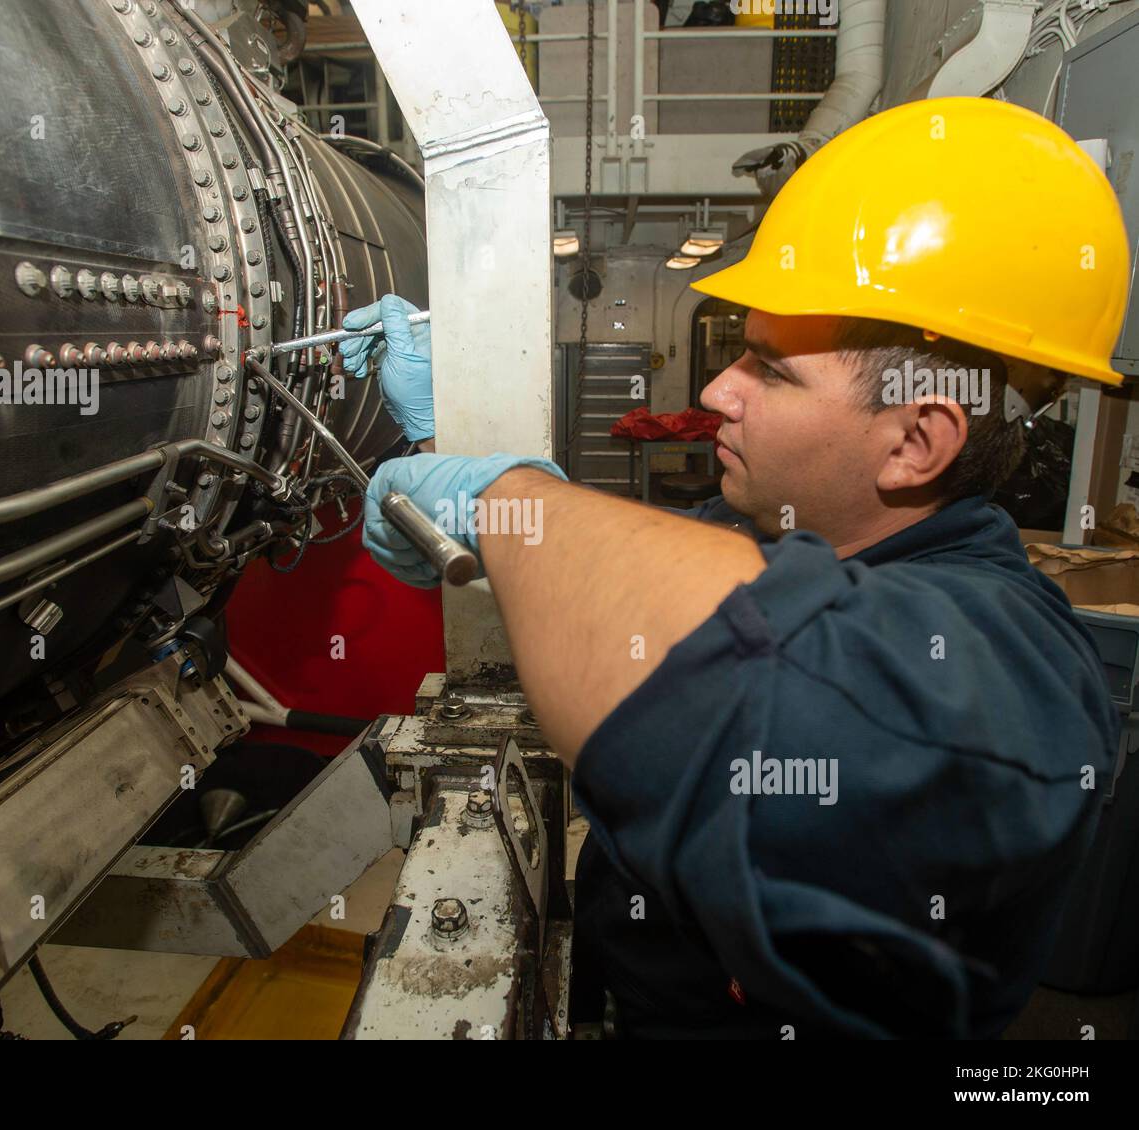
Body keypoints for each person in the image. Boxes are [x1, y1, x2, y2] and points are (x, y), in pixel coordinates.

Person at [338, 97, 1129, 1038]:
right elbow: (611, 590)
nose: (716, 391)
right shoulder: (775, 532)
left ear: (917, 440)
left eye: (769, 368)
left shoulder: (1010, 674)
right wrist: (446, 441)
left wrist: (504, 499)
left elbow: (743, 683)